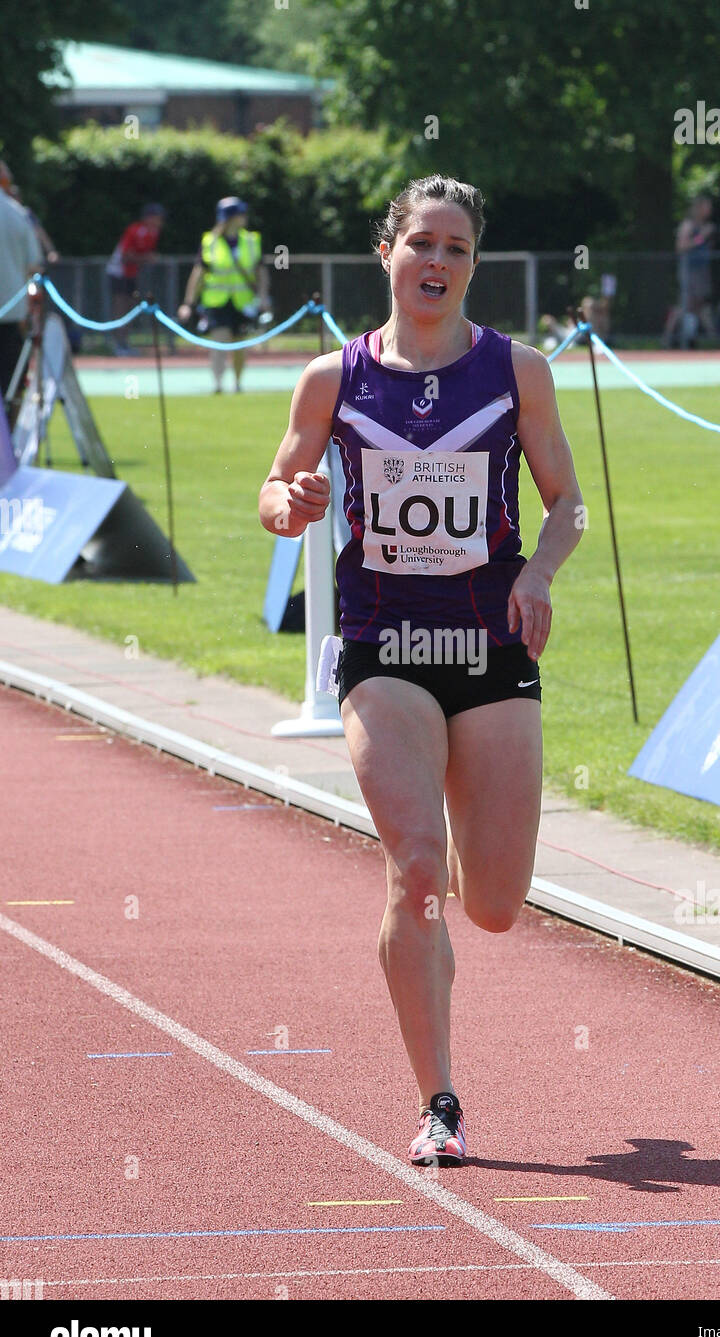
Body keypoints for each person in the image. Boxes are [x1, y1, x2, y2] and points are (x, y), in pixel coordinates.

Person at [258, 174, 584, 1166]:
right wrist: (291, 501)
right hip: (382, 646)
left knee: (491, 903)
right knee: (412, 869)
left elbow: (565, 501)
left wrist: (536, 571)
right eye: (419, 243)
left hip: (488, 646)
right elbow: (276, 486)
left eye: (454, 248)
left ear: (472, 264)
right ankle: (438, 1101)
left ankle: (448, 879)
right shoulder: (333, 378)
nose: (434, 261)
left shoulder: (515, 371)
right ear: (386, 252)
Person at [178, 197, 271, 394]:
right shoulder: (210, 242)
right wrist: (188, 303)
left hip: (242, 301)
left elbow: (260, 271)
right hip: (216, 301)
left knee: (239, 343)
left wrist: (263, 296)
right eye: (240, 213)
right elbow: (198, 273)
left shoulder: (251, 240)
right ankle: (218, 385)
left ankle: (237, 384)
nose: (244, 217)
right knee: (219, 341)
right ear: (230, 217)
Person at [0, 181, 42, 418]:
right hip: (12, 315)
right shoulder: (17, 213)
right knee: (12, 388)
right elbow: (34, 265)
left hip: (12, 314)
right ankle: (9, 449)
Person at [106, 203, 166, 355]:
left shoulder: (154, 233)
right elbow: (126, 256)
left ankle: (124, 342)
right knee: (121, 307)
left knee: (131, 307)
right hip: (119, 272)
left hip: (132, 274)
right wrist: (146, 258)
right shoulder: (135, 230)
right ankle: (118, 344)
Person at [663, 194, 717, 347]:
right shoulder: (688, 225)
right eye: (707, 206)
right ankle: (667, 337)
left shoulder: (705, 225)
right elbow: (681, 247)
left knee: (699, 304)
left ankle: (710, 339)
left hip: (702, 269)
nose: (710, 210)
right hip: (689, 270)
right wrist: (702, 237)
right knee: (685, 303)